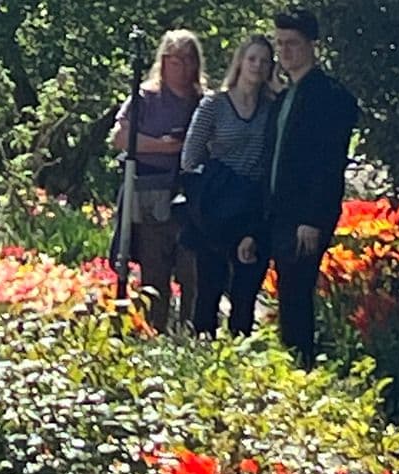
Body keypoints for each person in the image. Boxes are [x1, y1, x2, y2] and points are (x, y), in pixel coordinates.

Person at [237, 7, 358, 365]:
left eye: (292, 43)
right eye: (280, 44)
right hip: (277, 212)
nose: (284, 51)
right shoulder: (283, 100)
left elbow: (328, 164)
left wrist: (313, 218)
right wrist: (255, 226)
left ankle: (302, 366)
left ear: (312, 45)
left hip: (305, 216)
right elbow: (271, 166)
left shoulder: (328, 96)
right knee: (281, 291)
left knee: (296, 292)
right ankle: (291, 367)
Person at [108, 29, 204, 333]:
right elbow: (120, 138)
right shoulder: (146, 97)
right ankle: (153, 333)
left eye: (189, 60)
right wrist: (164, 146)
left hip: (191, 197)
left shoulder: (204, 101)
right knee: (154, 274)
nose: (183, 67)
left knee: (193, 272)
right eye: (177, 60)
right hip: (151, 196)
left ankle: (190, 334)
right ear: (164, 61)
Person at [180, 34, 275, 336]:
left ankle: (241, 349)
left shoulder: (271, 109)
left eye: (264, 61)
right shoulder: (214, 104)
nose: (257, 66)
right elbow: (189, 158)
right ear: (240, 62)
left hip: (253, 208)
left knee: (245, 292)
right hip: (217, 207)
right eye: (252, 59)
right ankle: (202, 346)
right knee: (209, 287)